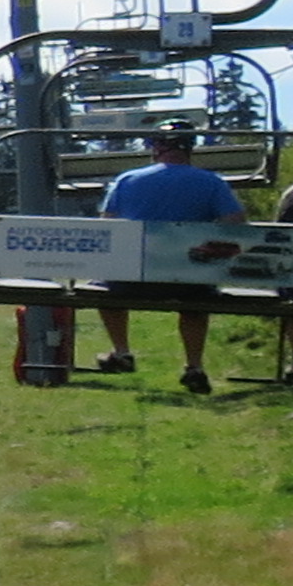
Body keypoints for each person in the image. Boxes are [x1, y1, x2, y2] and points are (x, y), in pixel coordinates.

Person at [92, 121, 245, 391]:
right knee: (197, 302)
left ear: (157, 148)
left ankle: (122, 351)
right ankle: (194, 366)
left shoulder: (128, 180)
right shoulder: (211, 182)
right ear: (190, 148)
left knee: (102, 286)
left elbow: (108, 226)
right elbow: (236, 224)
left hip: (132, 281)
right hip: (189, 280)